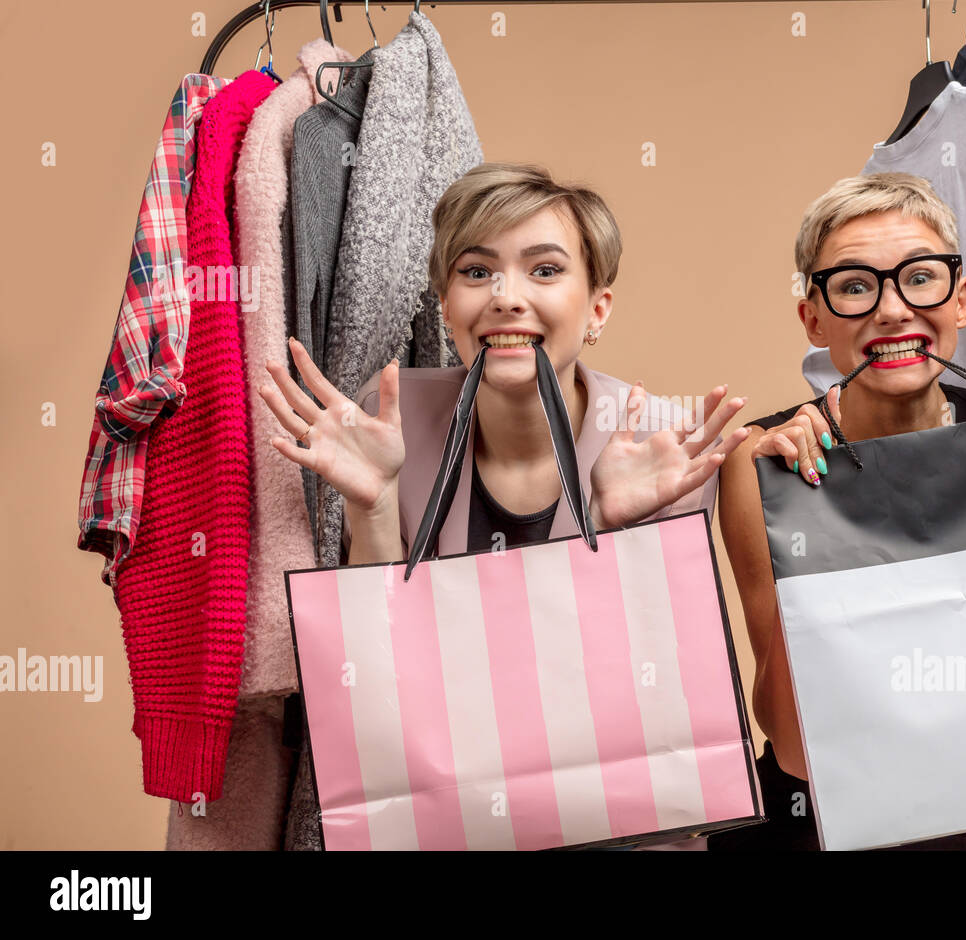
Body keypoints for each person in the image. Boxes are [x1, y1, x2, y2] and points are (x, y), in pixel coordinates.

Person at [258, 162, 752, 849]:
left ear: (598, 308)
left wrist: (611, 531)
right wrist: (371, 510)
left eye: (545, 271)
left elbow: (650, 707)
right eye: (477, 272)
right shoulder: (389, 416)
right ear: (445, 303)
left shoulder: (661, 446)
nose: (507, 298)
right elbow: (369, 684)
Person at [712, 172, 966, 851]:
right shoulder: (763, 463)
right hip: (821, 816)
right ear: (814, 317)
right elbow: (793, 739)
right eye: (856, 286)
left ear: (961, 301)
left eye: (920, 278)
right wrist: (806, 521)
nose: (892, 310)